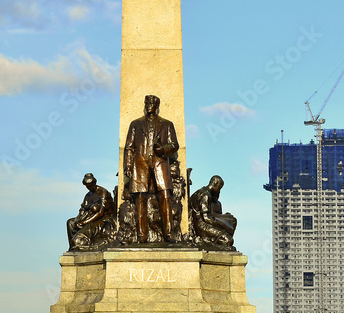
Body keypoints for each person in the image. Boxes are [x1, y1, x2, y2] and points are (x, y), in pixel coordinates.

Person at [123, 94, 179, 242]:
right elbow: (129, 147)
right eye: (147, 102)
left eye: (152, 103)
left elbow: (174, 145)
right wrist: (127, 166)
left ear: (157, 106)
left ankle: (168, 233)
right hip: (140, 164)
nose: (149, 105)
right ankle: (141, 235)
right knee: (140, 197)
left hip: (160, 163)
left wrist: (163, 149)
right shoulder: (135, 124)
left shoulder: (167, 124)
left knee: (165, 196)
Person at [66, 173, 115, 250]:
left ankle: (79, 244)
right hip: (88, 217)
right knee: (70, 222)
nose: (89, 188)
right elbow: (82, 210)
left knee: (77, 240)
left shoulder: (103, 192)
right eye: (87, 186)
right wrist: (77, 220)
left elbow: (100, 213)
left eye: (90, 186)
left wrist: (85, 222)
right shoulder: (88, 195)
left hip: (101, 219)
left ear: (94, 183)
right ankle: (73, 247)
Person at [189, 175, 237, 247]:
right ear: (215, 184)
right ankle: (208, 244)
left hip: (203, 224)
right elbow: (206, 218)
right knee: (228, 241)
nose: (219, 191)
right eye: (219, 188)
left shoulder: (204, 193)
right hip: (202, 226)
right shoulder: (205, 195)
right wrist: (225, 225)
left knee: (231, 220)